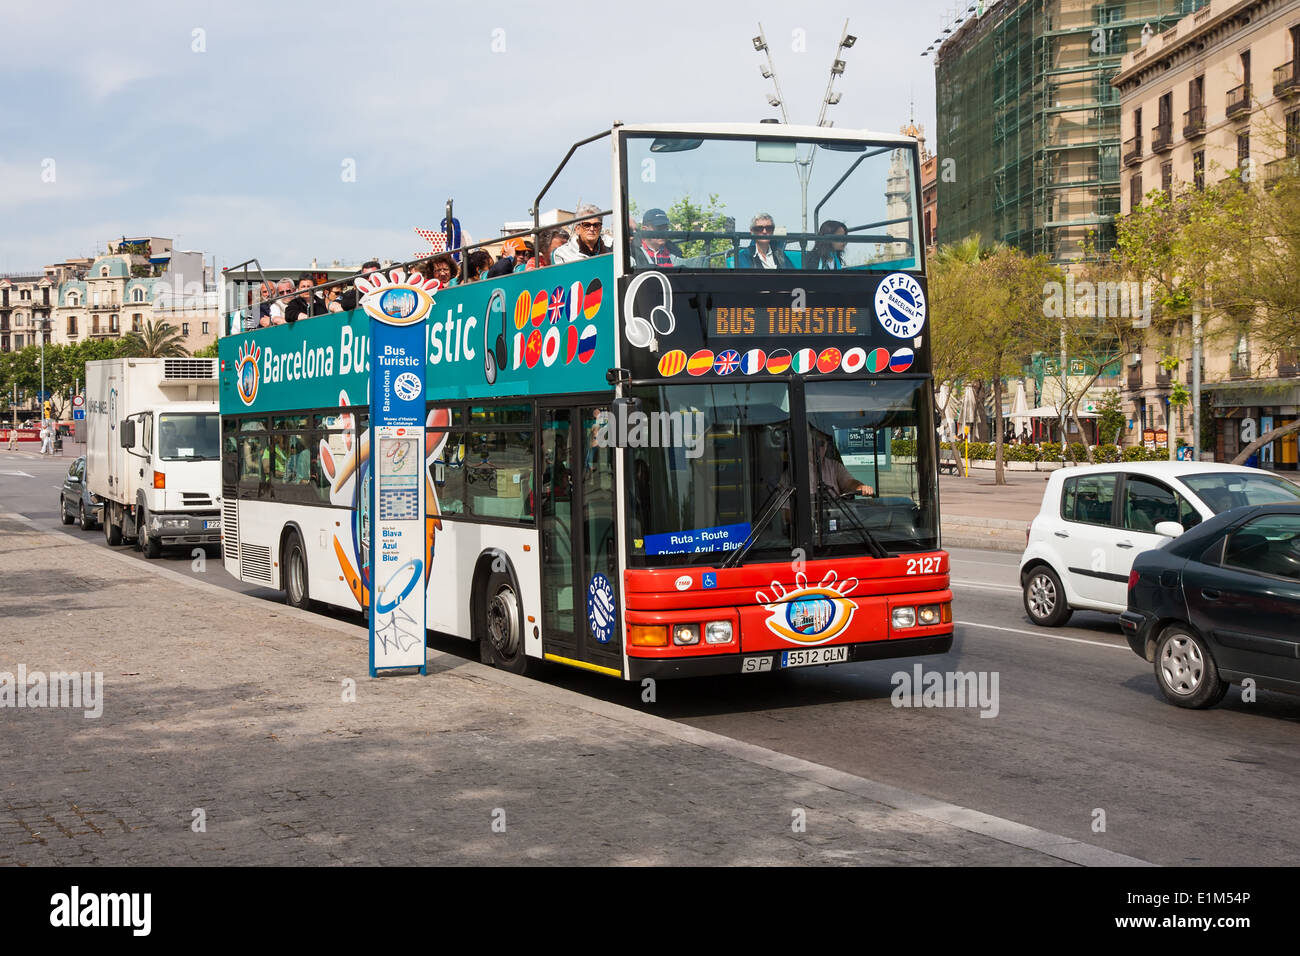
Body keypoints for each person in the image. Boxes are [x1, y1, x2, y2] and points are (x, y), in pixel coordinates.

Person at [810, 428, 873, 497]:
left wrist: (859, 487)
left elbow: (848, 482)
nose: (817, 448)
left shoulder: (834, 466)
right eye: (815, 443)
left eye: (821, 444)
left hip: (835, 507)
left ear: (826, 446)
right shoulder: (798, 467)